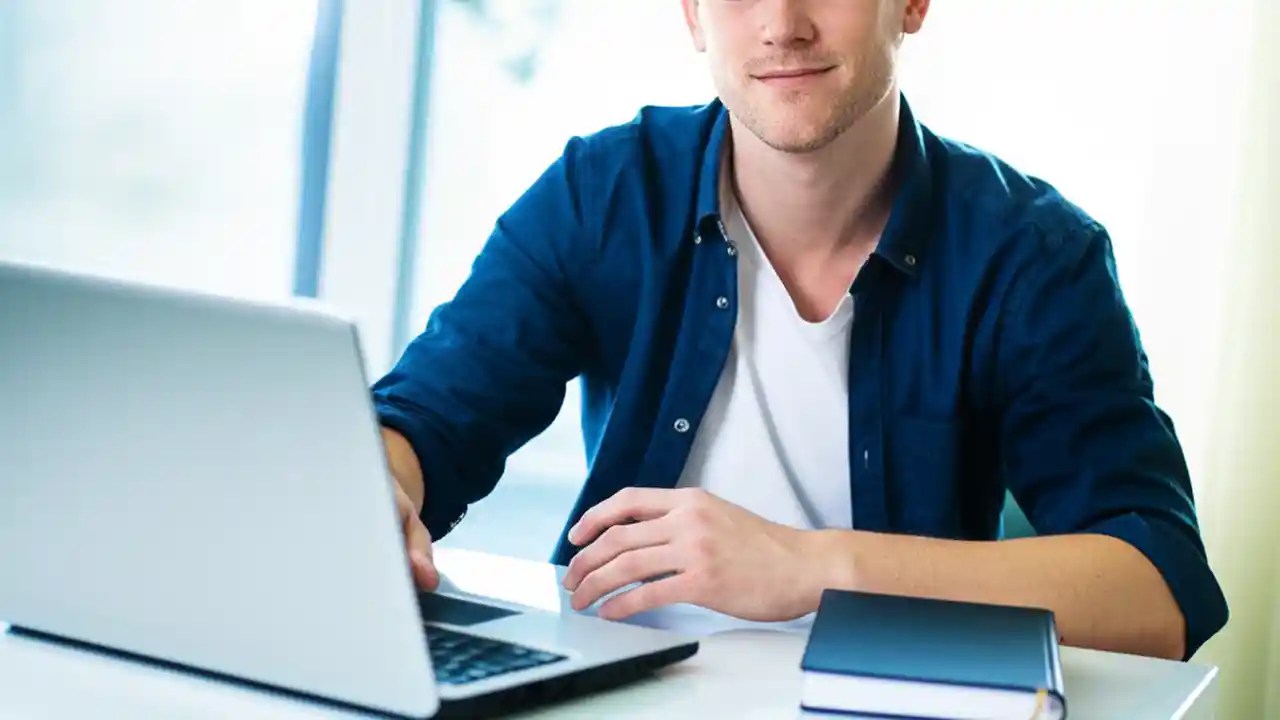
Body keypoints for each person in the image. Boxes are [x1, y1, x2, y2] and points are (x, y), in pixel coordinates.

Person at [371, 0, 1227, 661]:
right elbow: (422, 423)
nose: (783, 25)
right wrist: (377, 487)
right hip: (612, 691)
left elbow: (1156, 591)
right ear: (692, 12)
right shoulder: (603, 193)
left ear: (914, 3)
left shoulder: (1035, 256)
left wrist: (808, 569)